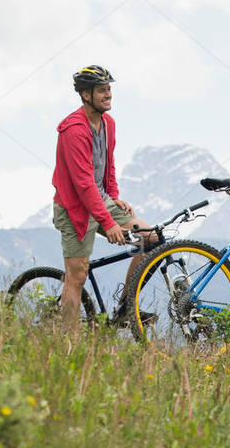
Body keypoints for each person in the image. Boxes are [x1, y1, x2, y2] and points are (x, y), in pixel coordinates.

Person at [52, 66, 159, 327]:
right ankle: (69, 343)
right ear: (85, 95)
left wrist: (113, 195)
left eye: (109, 88)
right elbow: (83, 183)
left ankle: (124, 308)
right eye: (101, 90)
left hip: (101, 201)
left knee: (151, 239)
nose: (108, 94)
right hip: (74, 208)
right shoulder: (74, 130)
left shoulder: (108, 123)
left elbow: (107, 164)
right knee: (77, 276)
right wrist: (108, 223)